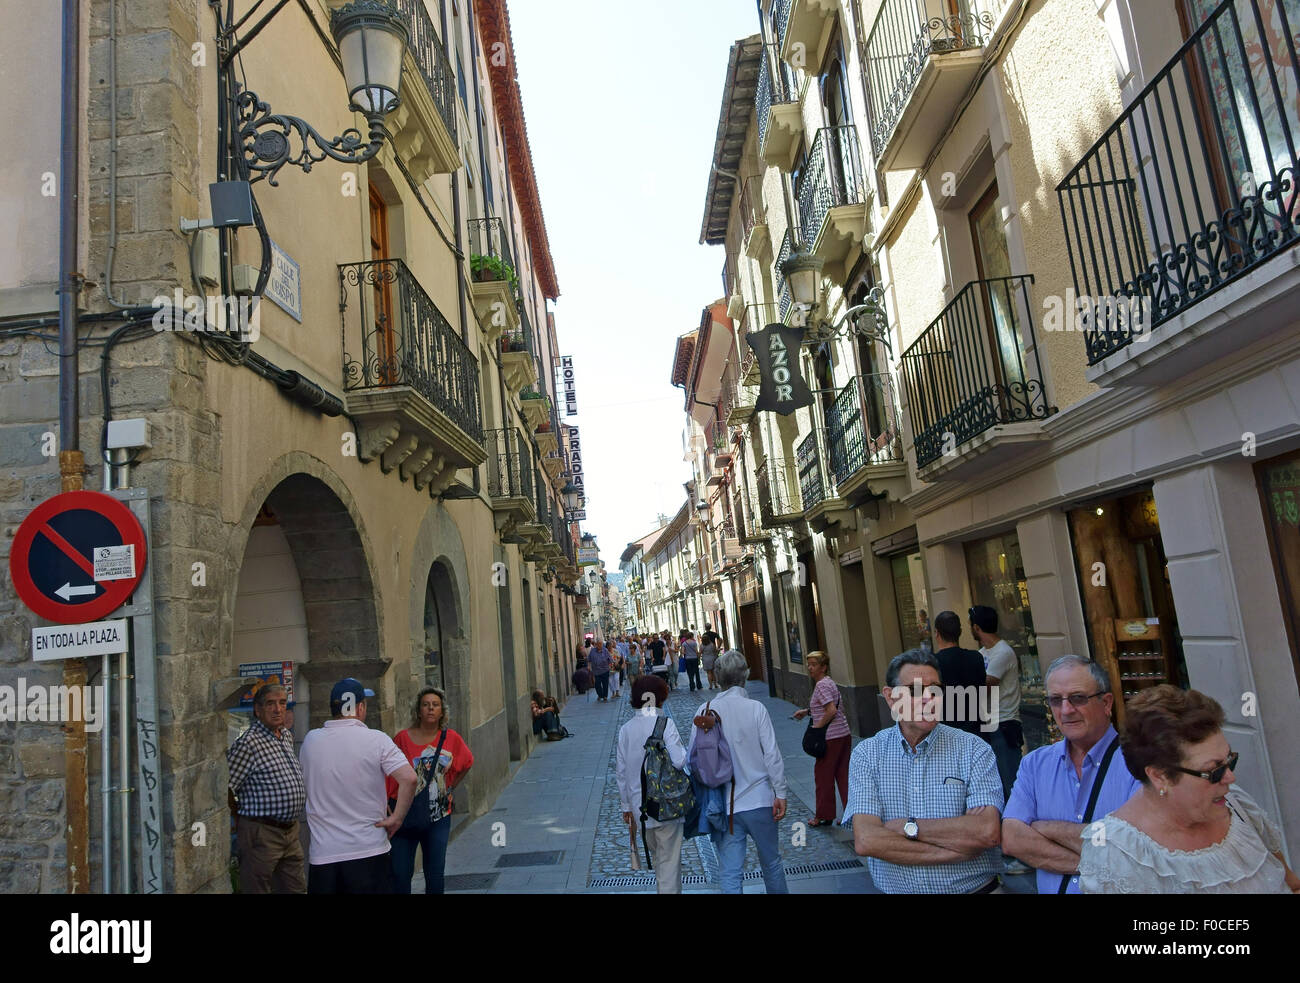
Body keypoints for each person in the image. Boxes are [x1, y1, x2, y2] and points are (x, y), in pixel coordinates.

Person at [1079, 686, 1300, 894]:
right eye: (1213, 771)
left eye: (1229, 761)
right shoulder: (1115, 856)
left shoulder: (1237, 805)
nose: (1230, 778)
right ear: (1160, 776)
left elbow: (1291, 885)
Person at [843, 650, 1005, 894]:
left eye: (935, 689)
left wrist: (909, 827)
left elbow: (986, 832)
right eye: (915, 690)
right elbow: (867, 840)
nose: (929, 698)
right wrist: (956, 851)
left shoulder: (974, 750)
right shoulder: (868, 755)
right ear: (890, 697)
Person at [1002, 655, 1141, 894]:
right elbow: (1012, 839)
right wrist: (1098, 863)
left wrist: (1045, 828)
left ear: (1107, 703)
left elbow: (1134, 851)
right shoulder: (1034, 765)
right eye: (1056, 700)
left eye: (1078, 698)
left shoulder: (1139, 764)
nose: (1066, 710)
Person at [299, 678, 417, 894]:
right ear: (360, 707)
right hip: (369, 849)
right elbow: (409, 778)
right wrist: (397, 817)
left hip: (324, 855)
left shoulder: (310, 741)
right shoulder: (377, 739)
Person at [688, 650, 789, 894]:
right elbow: (772, 755)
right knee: (772, 864)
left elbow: (692, 758)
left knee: (730, 872)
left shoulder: (705, 710)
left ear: (718, 677)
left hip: (724, 806)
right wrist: (781, 793)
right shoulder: (756, 709)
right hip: (760, 800)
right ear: (745, 675)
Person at [388, 687, 474, 894]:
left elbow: (467, 762)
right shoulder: (401, 739)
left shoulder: (451, 738)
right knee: (400, 874)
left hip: (438, 816)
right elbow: (389, 773)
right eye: (425, 705)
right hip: (404, 815)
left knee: (435, 875)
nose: (430, 708)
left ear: (442, 711)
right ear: (418, 711)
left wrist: (450, 786)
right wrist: (388, 806)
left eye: (435, 705)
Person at [226, 683, 307, 893]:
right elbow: (226, 787)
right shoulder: (248, 743)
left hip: (290, 831)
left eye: (282, 703)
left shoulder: (285, 736)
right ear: (258, 709)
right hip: (261, 832)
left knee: (296, 888)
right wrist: (239, 819)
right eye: (270, 704)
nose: (278, 709)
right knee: (257, 888)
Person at [616, 675, 687, 894]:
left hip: (640, 809)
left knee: (660, 862)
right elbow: (679, 761)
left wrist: (626, 807)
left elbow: (621, 773)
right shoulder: (665, 724)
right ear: (660, 697)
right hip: (667, 805)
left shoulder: (626, 730)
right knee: (668, 863)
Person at [792, 652, 850, 827]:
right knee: (843, 775)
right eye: (808, 664)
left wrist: (817, 728)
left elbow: (831, 710)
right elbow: (832, 707)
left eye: (814, 664)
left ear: (823, 667)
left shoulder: (821, 686)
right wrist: (807, 712)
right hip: (843, 734)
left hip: (830, 737)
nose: (810, 667)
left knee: (823, 775)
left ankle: (824, 815)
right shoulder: (829, 682)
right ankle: (852, 814)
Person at [970, 605, 1022, 802]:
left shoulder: (1003, 652)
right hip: (989, 721)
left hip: (1004, 721)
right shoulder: (983, 653)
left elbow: (986, 685)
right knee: (995, 780)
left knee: (1010, 779)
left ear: (976, 627)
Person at [930, 611, 988, 737]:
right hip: (977, 732)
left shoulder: (931, 663)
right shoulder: (976, 657)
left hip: (946, 733)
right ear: (960, 632)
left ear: (936, 633)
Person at [588, 638, 612, 702]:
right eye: (598, 644)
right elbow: (589, 659)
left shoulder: (605, 650)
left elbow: (610, 659)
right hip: (596, 671)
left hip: (605, 670)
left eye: (601, 644)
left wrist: (610, 666)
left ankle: (605, 696)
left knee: (605, 684)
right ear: (596, 644)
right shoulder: (592, 651)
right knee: (597, 685)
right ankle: (600, 695)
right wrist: (589, 666)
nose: (599, 645)